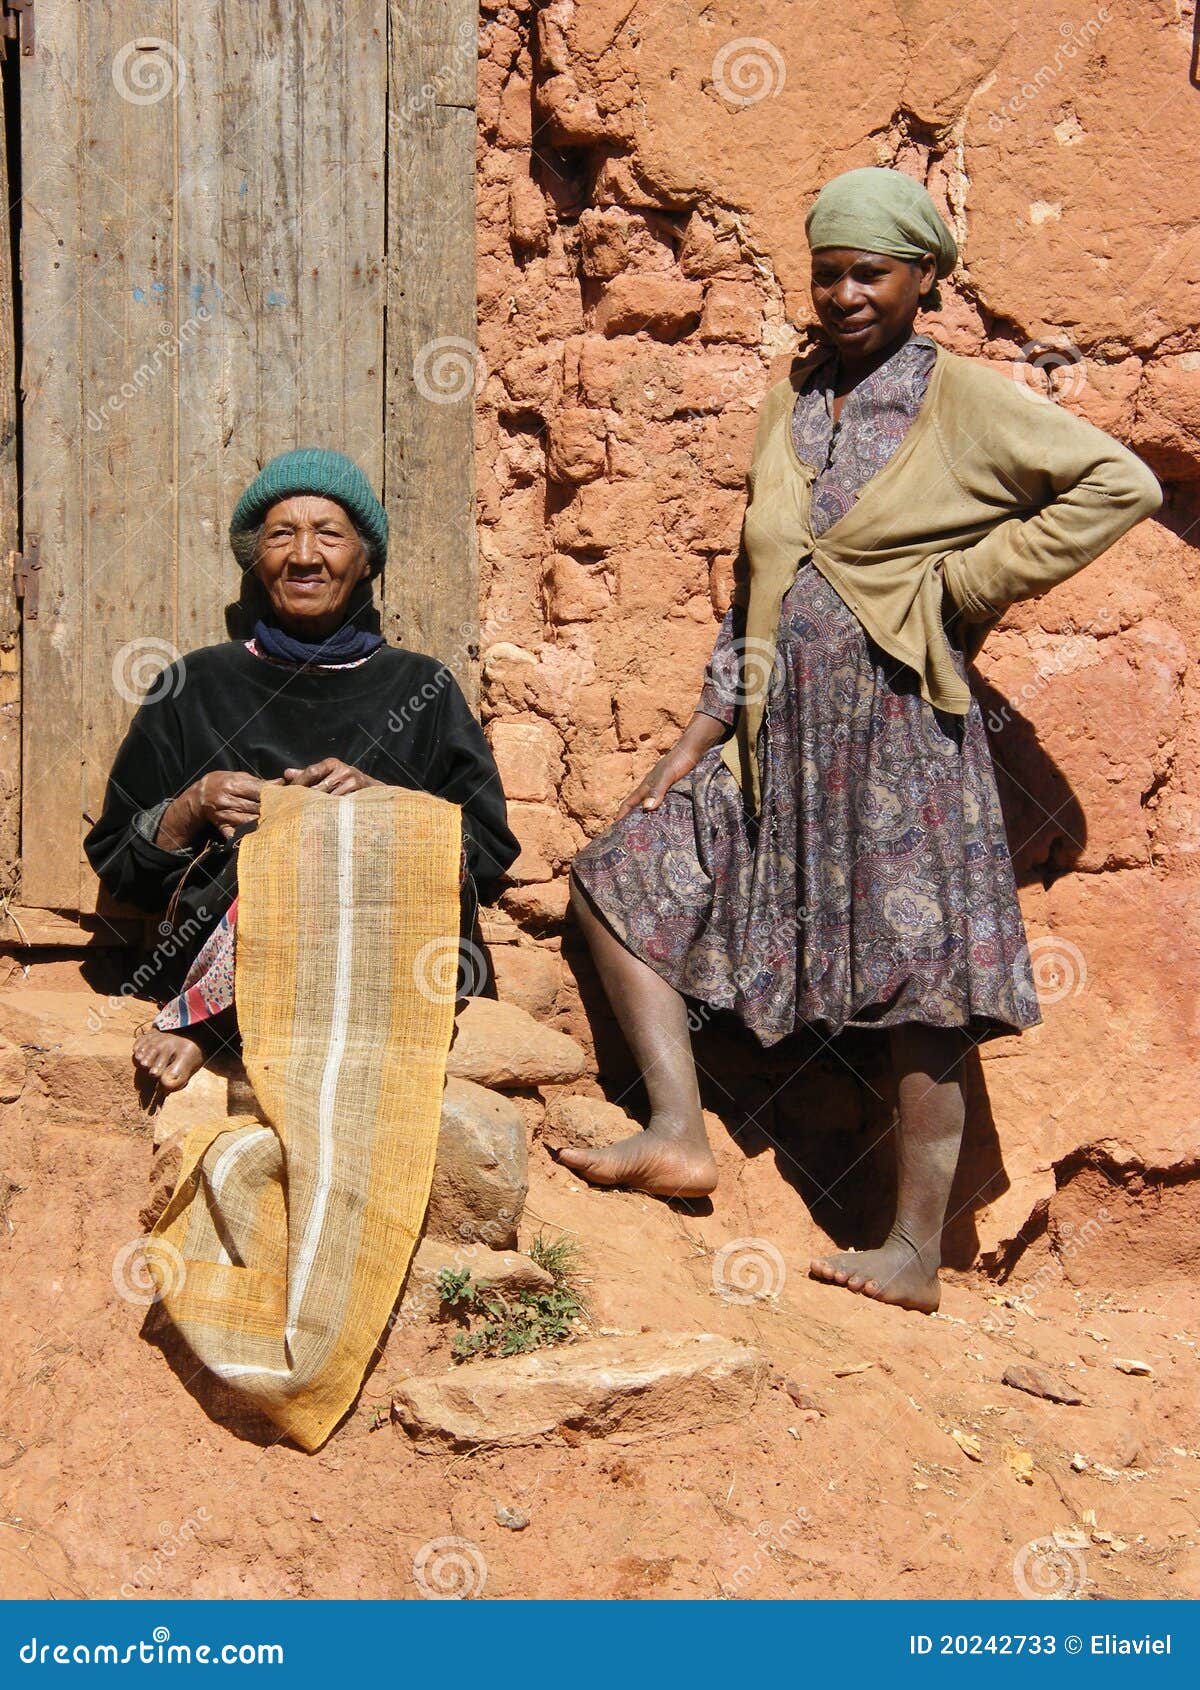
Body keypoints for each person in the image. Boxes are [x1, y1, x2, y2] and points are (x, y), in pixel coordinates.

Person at [566, 167, 1163, 1312]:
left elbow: (1117, 481)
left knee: (921, 987)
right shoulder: (791, 404)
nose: (844, 293)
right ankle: (679, 1129)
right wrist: (702, 725)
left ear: (924, 278)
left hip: (899, 738)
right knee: (620, 873)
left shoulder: (961, 398)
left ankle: (915, 1249)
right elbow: (759, 580)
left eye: (870, 273)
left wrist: (964, 587)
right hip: (775, 739)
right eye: (828, 271)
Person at [85, 447, 519, 1094]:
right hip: (227, 953)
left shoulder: (422, 688)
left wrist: (386, 806)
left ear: (366, 559)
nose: (305, 555)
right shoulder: (195, 685)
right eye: (281, 535)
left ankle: (221, 1025)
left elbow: (488, 857)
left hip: (382, 960)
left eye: (330, 535)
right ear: (256, 561)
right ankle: (213, 1016)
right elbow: (119, 863)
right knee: (277, 844)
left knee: (340, 837)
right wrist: (191, 805)